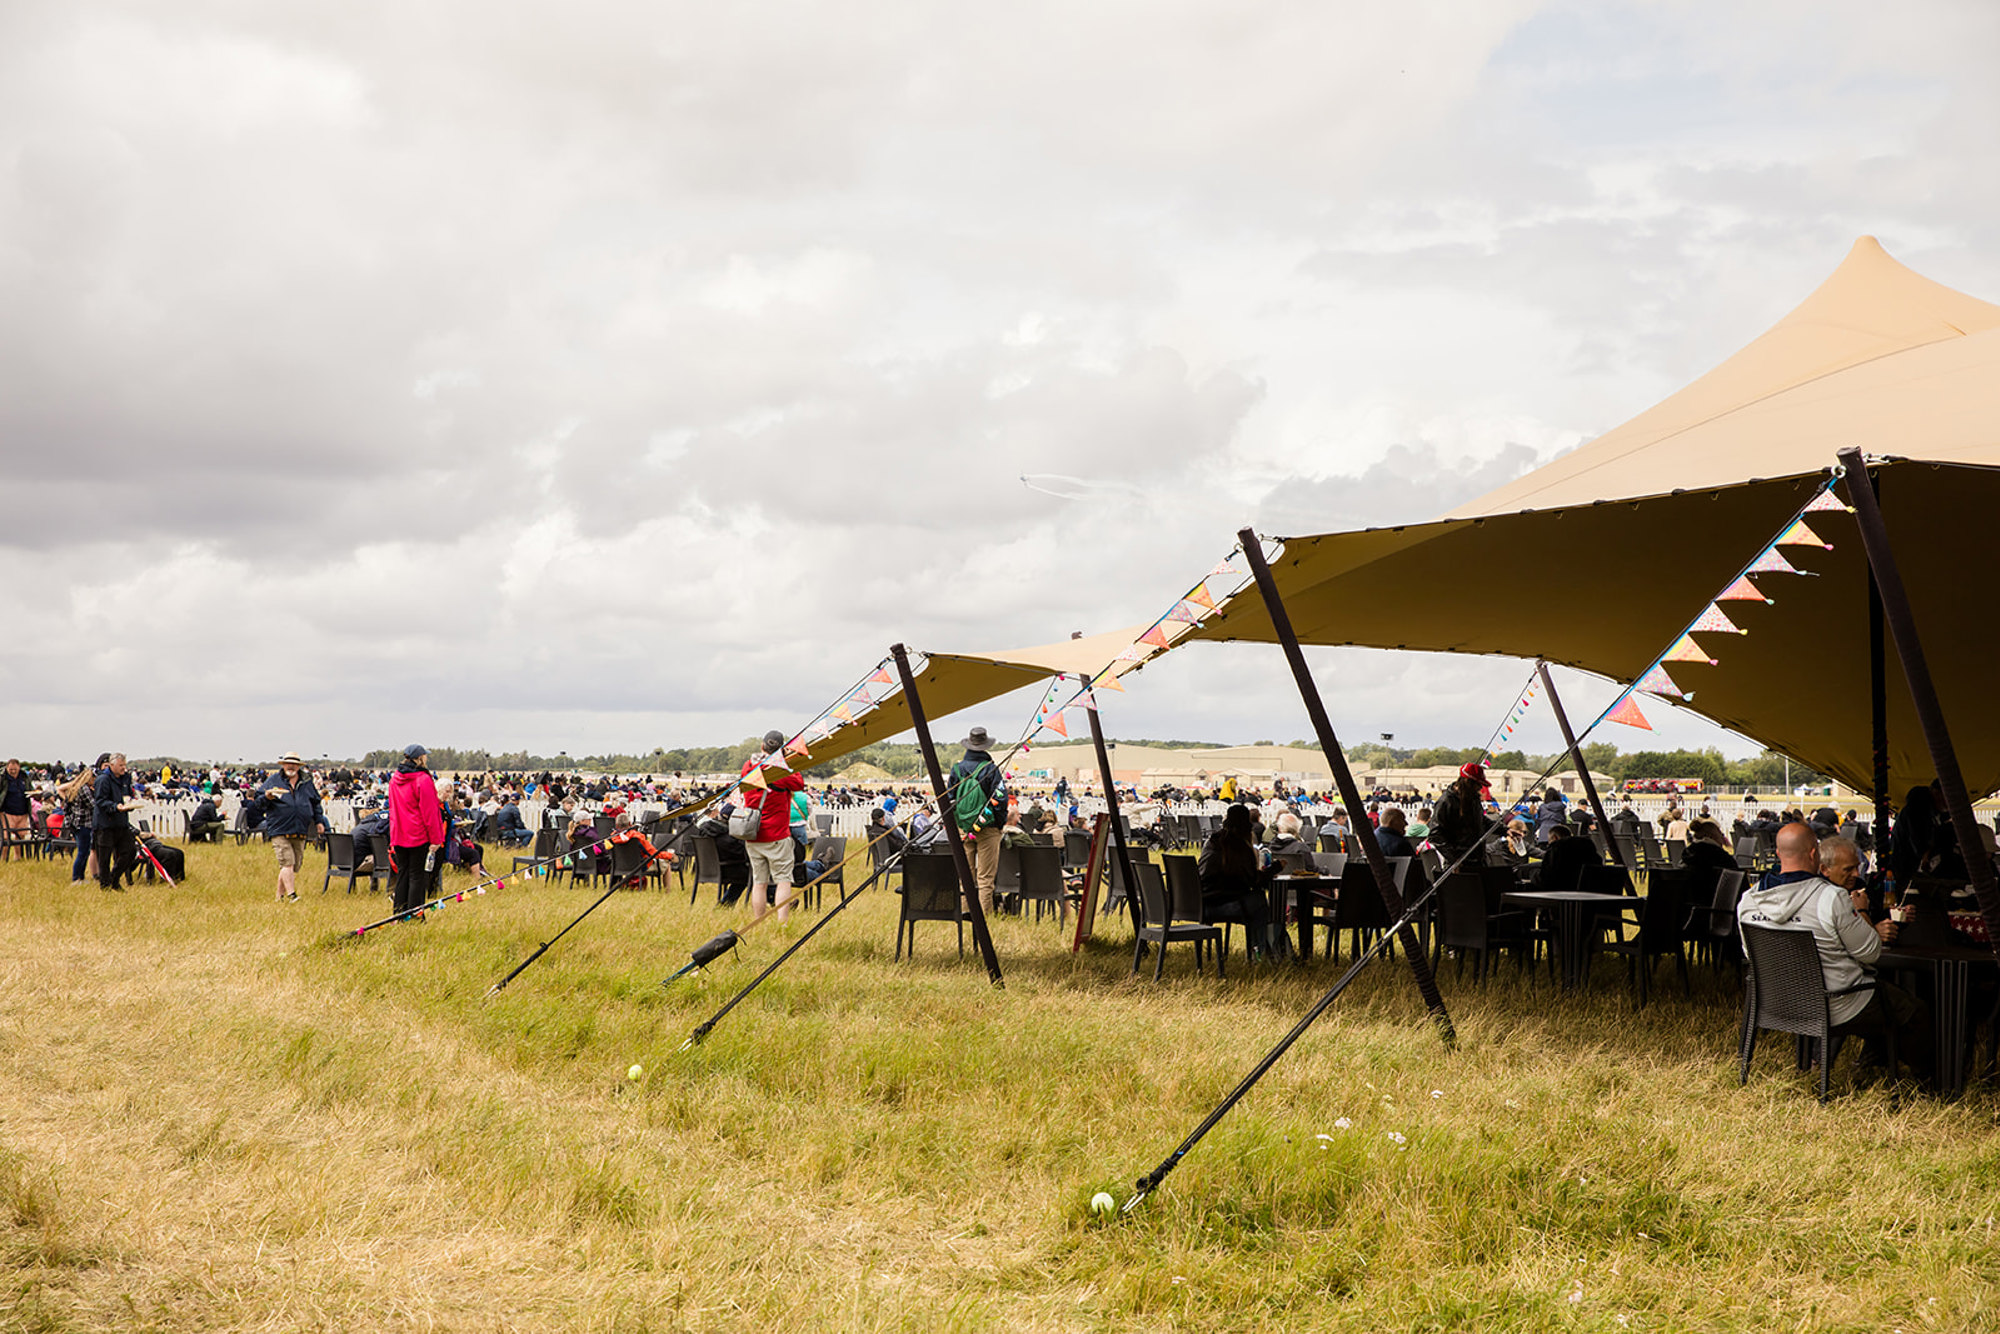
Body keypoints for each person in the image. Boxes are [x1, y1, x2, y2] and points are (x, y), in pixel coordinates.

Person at [1738, 827, 1930, 1076]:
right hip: (1835, 1004)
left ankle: (1871, 1063)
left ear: (1777, 853)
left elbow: (1750, 954)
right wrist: (1862, 912)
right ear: (1814, 855)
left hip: (1776, 1003)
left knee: (1886, 1000)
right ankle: (1932, 1080)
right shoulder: (1830, 898)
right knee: (1912, 1010)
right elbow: (1871, 953)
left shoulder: (1748, 900)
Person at [1196, 804, 1287, 962]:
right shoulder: (1238, 846)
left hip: (1201, 904)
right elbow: (1253, 881)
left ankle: (1261, 950)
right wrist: (1275, 868)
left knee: (1256, 900)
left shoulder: (1212, 843)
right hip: (1224, 904)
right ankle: (1262, 951)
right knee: (1259, 900)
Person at [740, 730, 805, 924]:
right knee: (783, 880)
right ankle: (782, 922)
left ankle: (758, 921)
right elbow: (799, 784)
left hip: (753, 833)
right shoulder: (781, 770)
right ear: (781, 750)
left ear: (762, 746)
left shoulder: (748, 766)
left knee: (759, 883)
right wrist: (788, 760)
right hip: (777, 834)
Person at [947, 726, 1007, 915]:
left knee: (965, 876)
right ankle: (983, 917)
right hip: (988, 828)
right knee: (985, 878)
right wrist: (998, 823)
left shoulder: (957, 769)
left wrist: (959, 822)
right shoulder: (991, 769)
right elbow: (1000, 799)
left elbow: (949, 799)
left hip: (963, 828)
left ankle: (965, 913)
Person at [256, 752, 326, 904]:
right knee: (287, 862)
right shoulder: (273, 780)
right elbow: (258, 802)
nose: (291, 767)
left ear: (298, 766)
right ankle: (292, 895)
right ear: (283, 765)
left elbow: (315, 803)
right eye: (288, 764)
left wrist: (319, 821)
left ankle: (279, 897)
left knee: (293, 866)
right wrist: (267, 797)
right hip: (279, 828)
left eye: (294, 764)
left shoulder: (307, 782)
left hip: (300, 829)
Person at [388, 745, 445, 918]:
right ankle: (415, 914)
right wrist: (436, 838)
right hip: (417, 833)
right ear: (420, 758)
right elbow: (430, 811)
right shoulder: (422, 779)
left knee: (403, 873)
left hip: (399, 832)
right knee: (417, 876)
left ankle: (399, 912)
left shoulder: (395, 779)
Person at [92, 752, 143, 891]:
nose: (123, 768)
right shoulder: (103, 779)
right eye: (121, 765)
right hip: (105, 824)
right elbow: (100, 801)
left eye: (124, 765)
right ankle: (105, 886)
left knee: (130, 851)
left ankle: (114, 878)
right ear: (112, 765)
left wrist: (130, 803)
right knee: (104, 858)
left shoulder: (125, 779)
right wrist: (115, 807)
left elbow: (128, 795)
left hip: (121, 823)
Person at [1428, 762, 1490, 869]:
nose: (1480, 788)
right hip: (1458, 863)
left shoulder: (1473, 799)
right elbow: (1435, 834)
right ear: (1468, 783)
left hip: (1478, 859)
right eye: (1478, 784)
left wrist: (1505, 830)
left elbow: (1481, 820)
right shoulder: (1446, 802)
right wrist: (1453, 859)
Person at [696, 804, 752, 905]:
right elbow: (742, 854)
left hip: (707, 869)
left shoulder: (705, 830)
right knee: (754, 875)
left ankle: (725, 904)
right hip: (726, 870)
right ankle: (726, 903)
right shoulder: (727, 838)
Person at [57, 758, 102, 884]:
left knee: (84, 851)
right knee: (83, 852)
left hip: (76, 823)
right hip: (83, 823)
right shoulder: (84, 789)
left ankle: (80, 877)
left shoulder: (77, 787)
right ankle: (76, 877)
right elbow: (92, 805)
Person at [1536, 824, 1605, 893]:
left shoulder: (1556, 850)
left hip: (1559, 892)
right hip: (1589, 890)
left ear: (1554, 838)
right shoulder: (1587, 847)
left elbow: (1546, 879)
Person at [1, 759, 31, 859]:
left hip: (22, 811)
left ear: (19, 767)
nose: (13, 771)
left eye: (15, 769)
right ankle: (3, 857)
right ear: (7, 768)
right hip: (7, 812)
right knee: (5, 836)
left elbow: (30, 789)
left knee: (20, 835)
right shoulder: (2, 778)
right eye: (10, 769)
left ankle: (18, 857)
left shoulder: (24, 777)